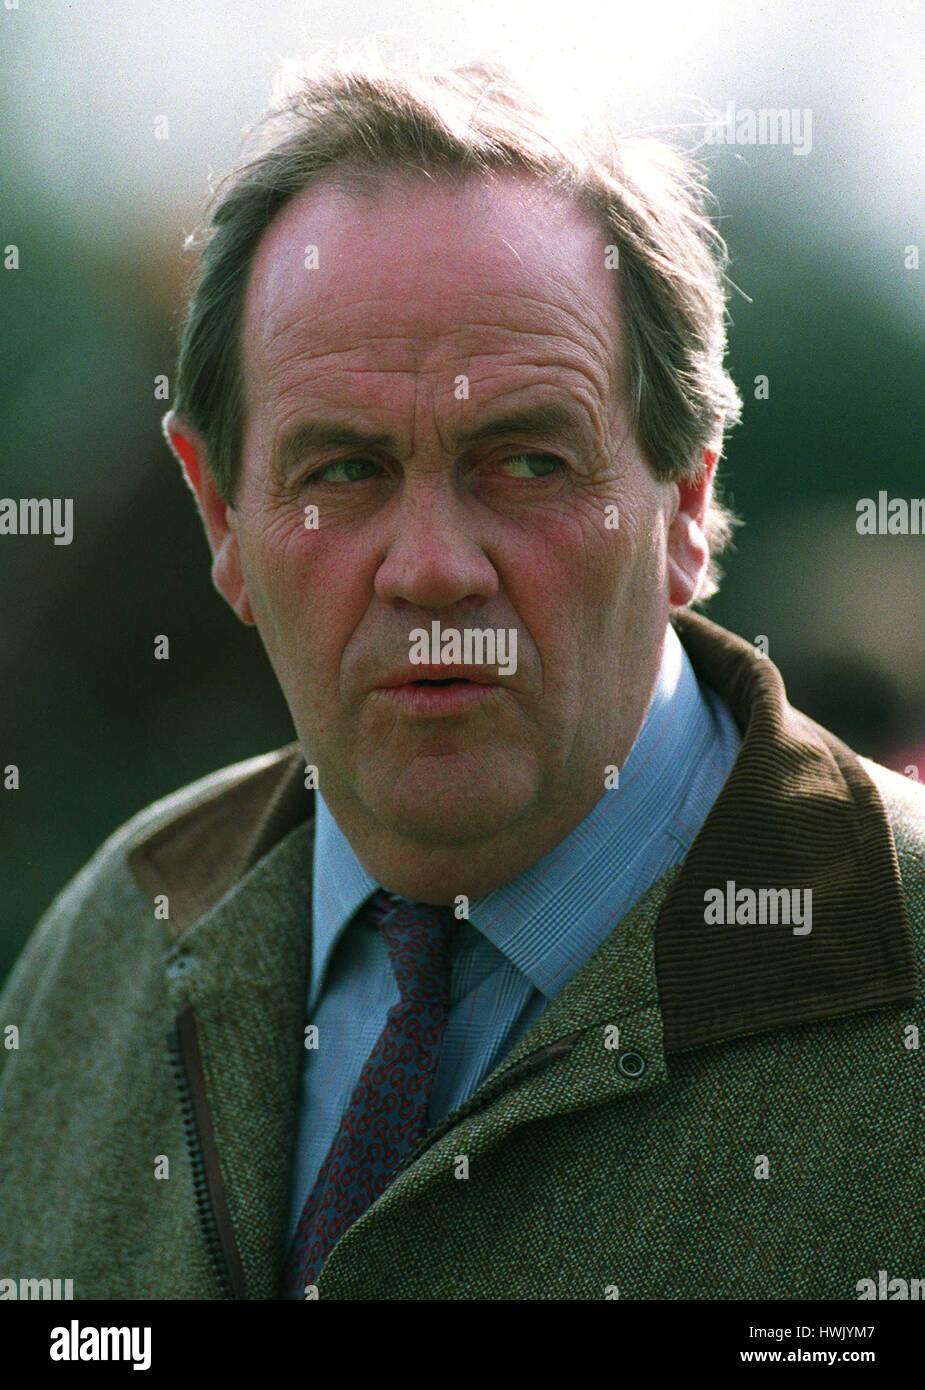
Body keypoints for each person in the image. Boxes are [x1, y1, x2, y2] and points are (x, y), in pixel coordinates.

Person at [1, 51, 922, 1303]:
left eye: (527, 461)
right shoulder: (98, 961)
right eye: (343, 470)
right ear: (220, 513)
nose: (430, 570)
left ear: (687, 503)